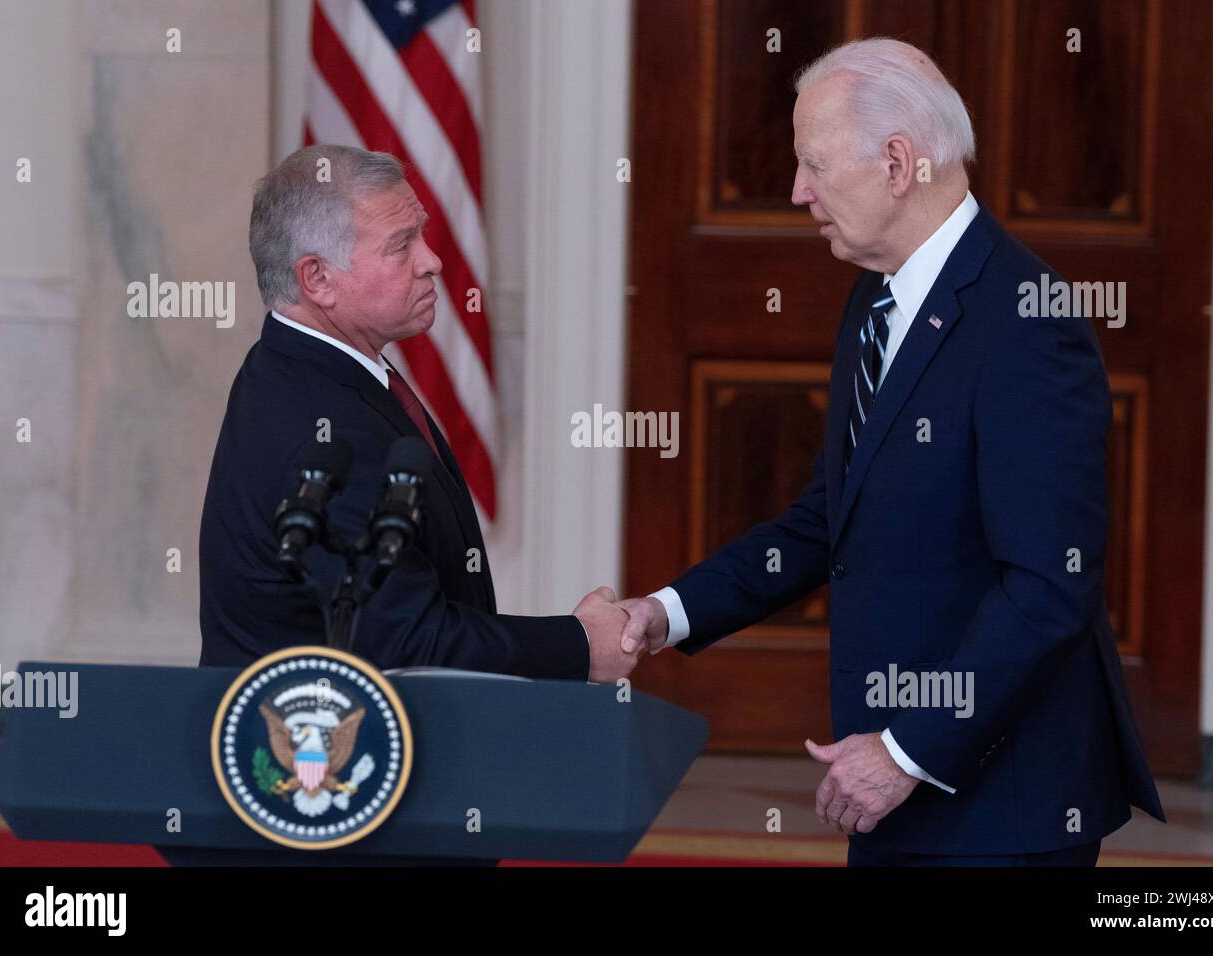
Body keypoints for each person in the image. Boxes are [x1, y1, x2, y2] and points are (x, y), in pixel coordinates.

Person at [616, 38, 1164, 865]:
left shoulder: (1028, 320)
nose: (798, 191)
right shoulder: (878, 296)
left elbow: (1049, 586)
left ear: (899, 162)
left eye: (814, 165)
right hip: (895, 787)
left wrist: (906, 751)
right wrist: (664, 612)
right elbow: (826, 521)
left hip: (999, 807)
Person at [199, 145, 638, 683]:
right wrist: (581, 645)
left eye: (422, 235)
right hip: (322, 755)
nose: (431, 260)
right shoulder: (327, 429)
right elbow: (408, 641)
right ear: (317, 279)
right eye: (401, 244)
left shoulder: (297, 368)